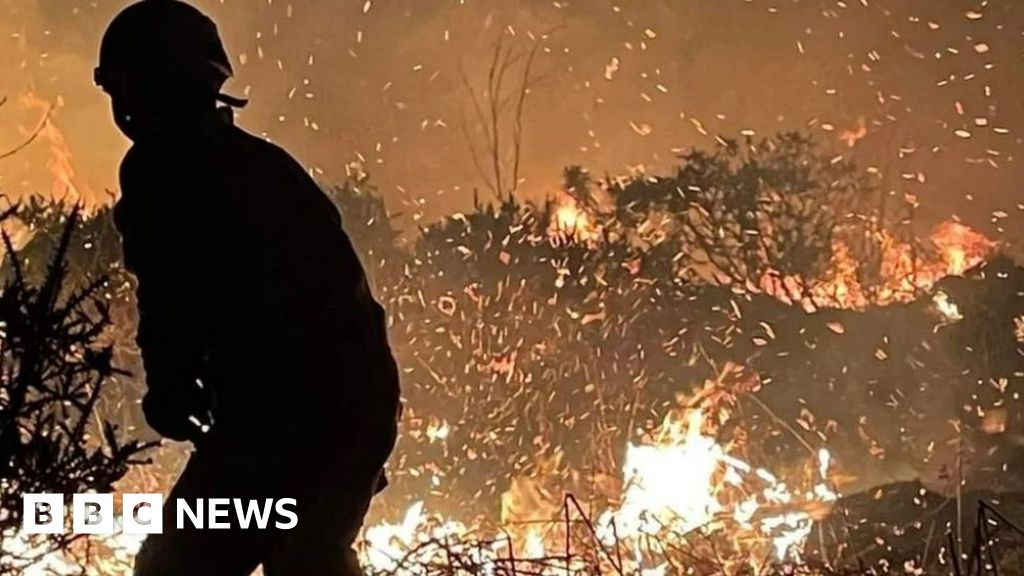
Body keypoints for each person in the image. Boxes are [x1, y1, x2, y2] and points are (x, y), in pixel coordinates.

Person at [94, 1, 401, 574]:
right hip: (351, 406)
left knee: (180, 566)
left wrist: (170, 387)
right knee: (308, 555)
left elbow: (172, 294)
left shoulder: (162, 169)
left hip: (286, 419)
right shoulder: (262, 164)